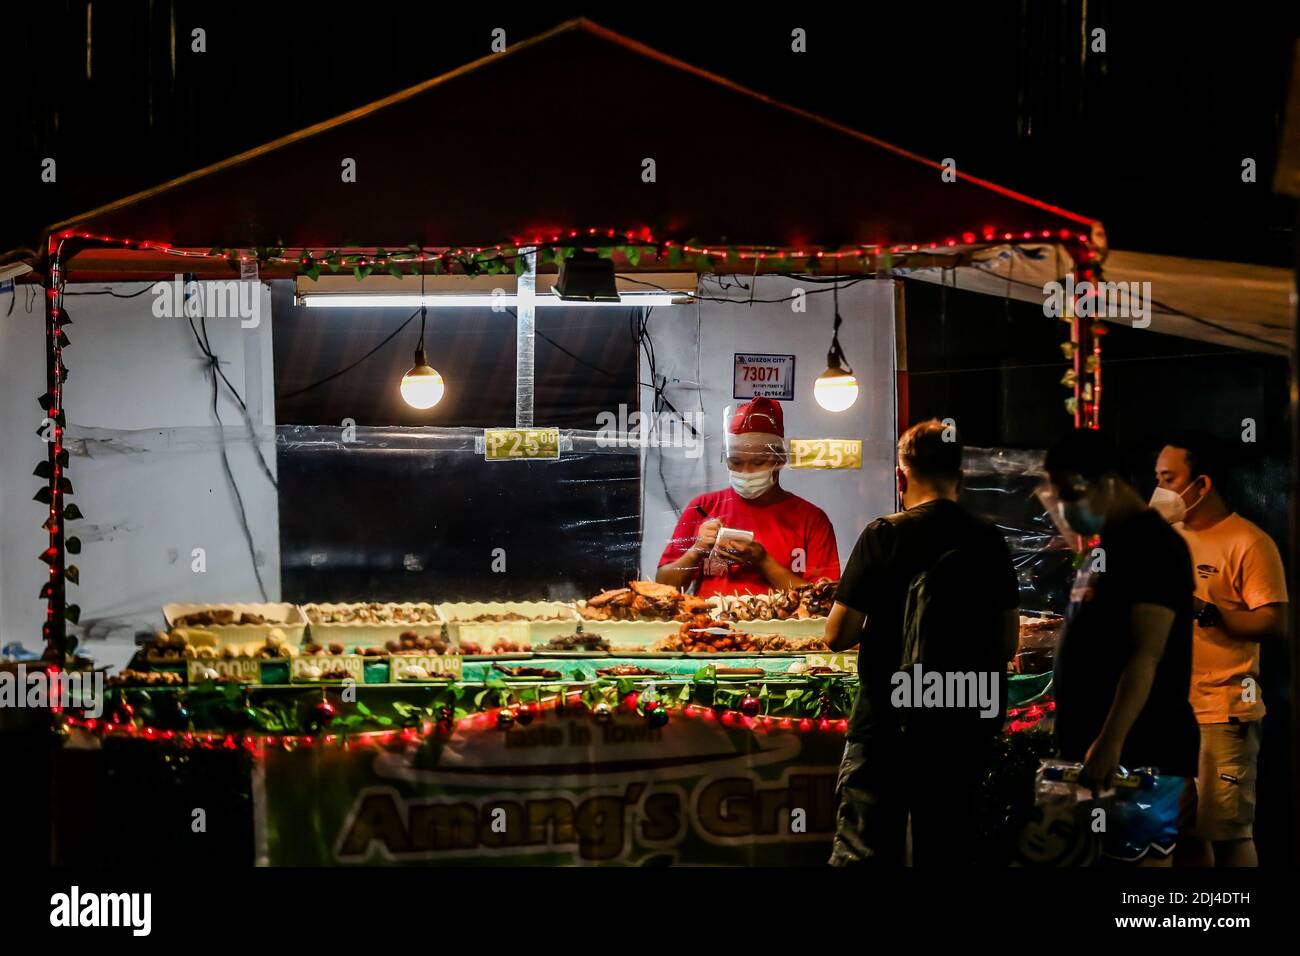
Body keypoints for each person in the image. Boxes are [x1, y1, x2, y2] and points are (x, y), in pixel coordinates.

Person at [825, 419, 1019, 866]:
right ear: (961, 478)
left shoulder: (884, 534)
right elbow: (1007, 644)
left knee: (866, 851)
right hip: (964, 723)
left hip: (887, 725)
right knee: (950, 848)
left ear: (901, 476)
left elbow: (837, 635)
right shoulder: (989, 541)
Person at [1044, 429, 1200, 865]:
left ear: (1107, 482)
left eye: (1068, 492)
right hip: (1095, 753)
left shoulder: (1154, 546)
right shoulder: (1106, 546)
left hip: (1140, 752)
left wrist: (1110, 741)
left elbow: (1146, 654)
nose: (1062, 504)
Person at [1153, 431, 1289, 867]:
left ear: (1202, 484)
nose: (1159, 490)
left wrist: (1208, 611)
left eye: (1169, 478)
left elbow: (1274, 622)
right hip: (1172, 708)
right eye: (1157, 478)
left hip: (1224, 709)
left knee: (1228, 831)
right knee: (1187, 833)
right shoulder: (1165, 538)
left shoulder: (1248, 542)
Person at [656, 397, 839, 596]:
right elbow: (663, 586)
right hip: (709, 625)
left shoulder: (811, 520)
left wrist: (763, 562)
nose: (746, 471)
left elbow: (824, 600)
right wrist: (696, 550)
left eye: (759, 462)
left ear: (780, 460)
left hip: (781, 627)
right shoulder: (703, 508)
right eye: (735, 462)